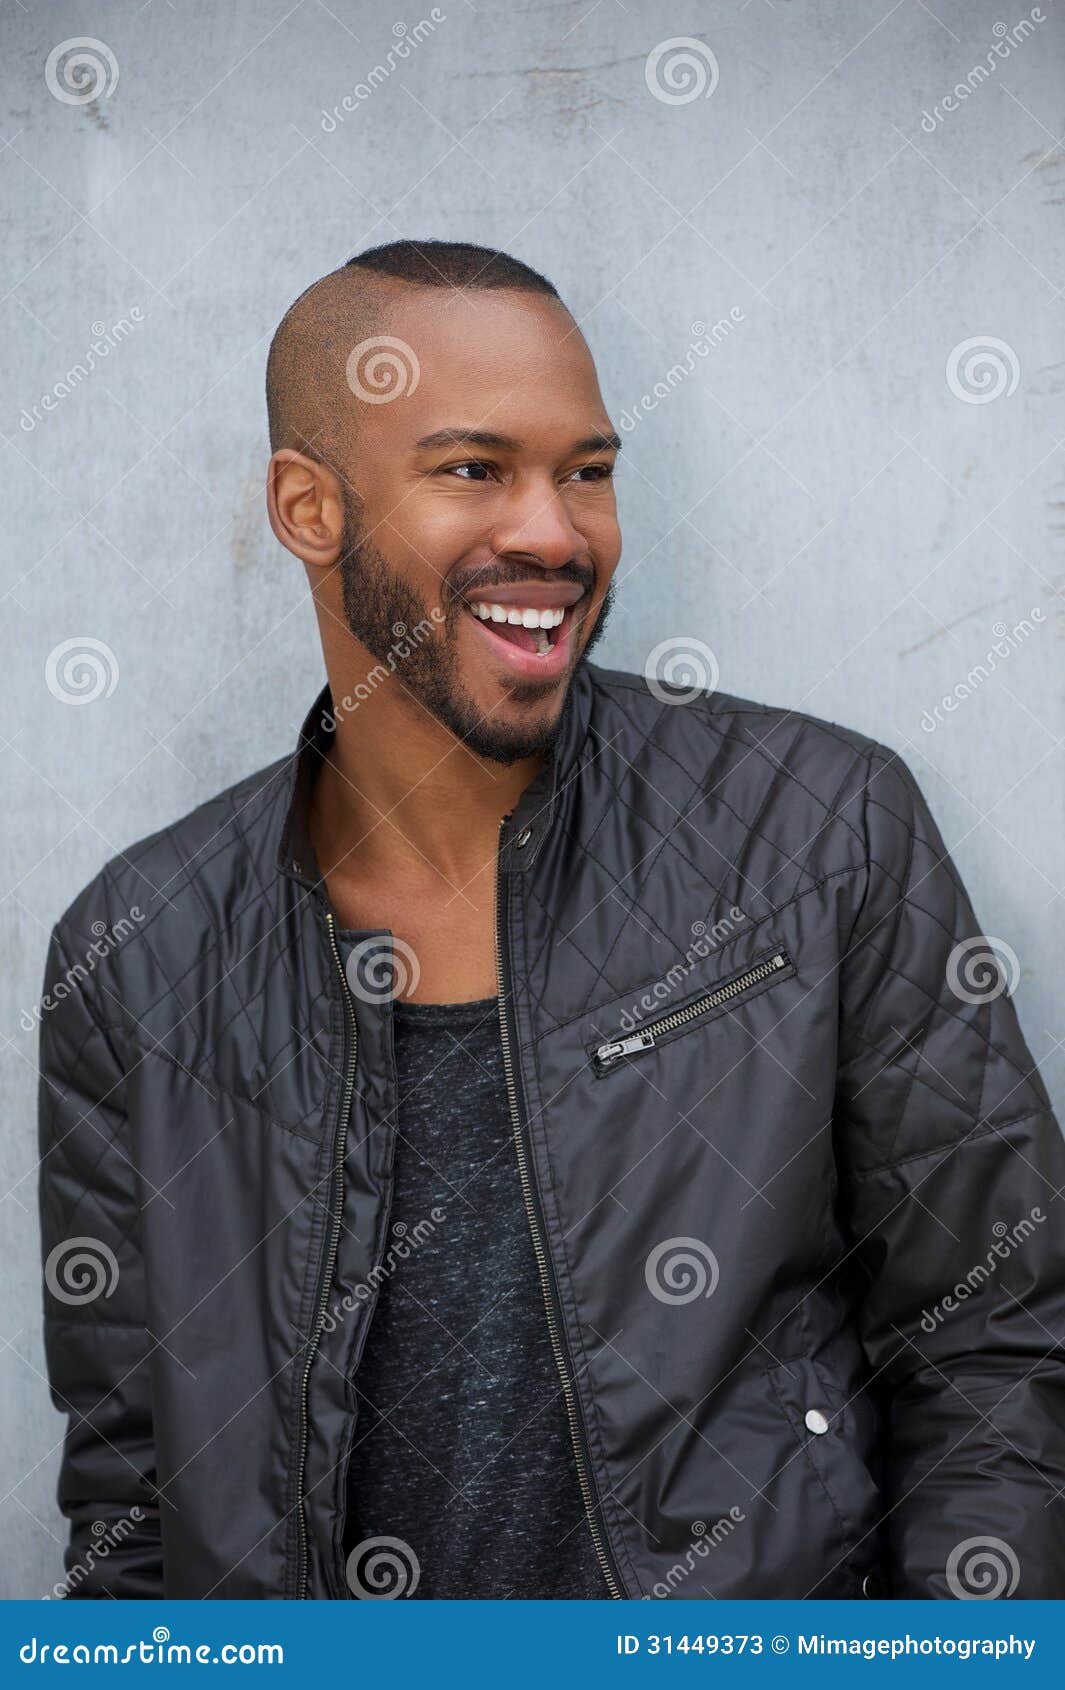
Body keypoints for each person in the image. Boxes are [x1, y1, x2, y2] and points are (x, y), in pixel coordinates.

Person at [37, 239, 1065, 1600]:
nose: (554, 532)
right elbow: (133, 1495)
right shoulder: (140, 949)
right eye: (473, 470)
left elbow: (993, 1344)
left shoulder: (820, 830)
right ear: (308, 507)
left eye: (585, 470)